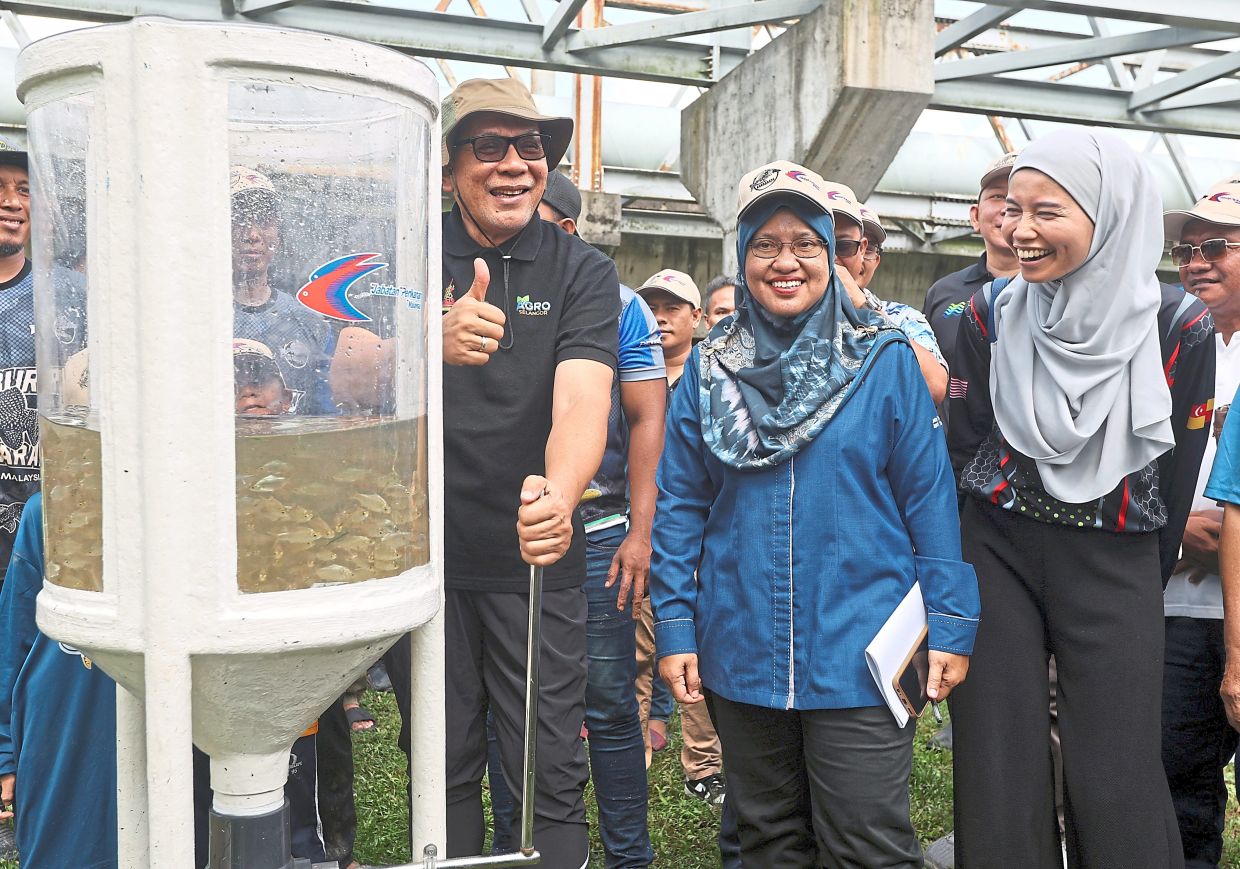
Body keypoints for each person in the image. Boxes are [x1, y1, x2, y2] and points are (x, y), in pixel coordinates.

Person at [653, 159, 978, 867]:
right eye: (765, 244)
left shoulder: (884, 360)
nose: (786, 260)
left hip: (860, 644)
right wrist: (675, 625)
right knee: (767, 838)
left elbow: (929, 499)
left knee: (866, 842)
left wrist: (950, 623)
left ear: (832, 253)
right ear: (742, 259)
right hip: (741, 640)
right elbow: (680, 505)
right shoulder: (710, 371)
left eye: (806, 241)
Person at [946, 129, 1211, 868]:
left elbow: (1177, 468)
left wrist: (1132, 569)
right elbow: (965, 444)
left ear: (1112, 213)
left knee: (1117, 768)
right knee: (997, 761)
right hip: (994, 551)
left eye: (1047, 212)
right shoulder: (987, 313)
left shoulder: (1175, 324)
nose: (1019, 231)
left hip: (1118, 555)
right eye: (1011, 209)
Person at [384, 76, 618, 868]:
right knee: (440, 761)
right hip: (429, 562)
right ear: (450, 168)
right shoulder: (407, 249)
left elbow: (584, 399)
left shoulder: (582, 271)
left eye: (532, 148)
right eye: (490, 146)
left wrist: (560, 492)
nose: (516, 164)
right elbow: (348, 375)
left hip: (536, 559)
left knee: (547, 768)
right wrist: (427, 342)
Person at [488, 170, 665, 866]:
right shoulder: (481, 291)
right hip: (506, 532)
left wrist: (640, 532)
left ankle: (628, 855)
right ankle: (518, 846)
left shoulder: (619, 304)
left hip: (594, 535)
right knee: (514, 705)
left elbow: (648, 418)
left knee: (610, 700)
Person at [1162, 175, 1240, 868]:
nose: (1196, 262)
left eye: (1217, 245)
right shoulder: (1170, 341)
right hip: (1181, 602)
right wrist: (1177, 521)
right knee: (1177, 775)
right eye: (1187, 250)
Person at [633, 269, 731, 807]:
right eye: (652, 306)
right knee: (633, 653)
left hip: (694, 539)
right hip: (632, 536)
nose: (661, 317)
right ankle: (632, 752)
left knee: (690, 646)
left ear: (697, 319)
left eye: (674, 308)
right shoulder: (630, 374)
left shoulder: (715, 377)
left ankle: (704, 763)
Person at [0, 494, 117, 869]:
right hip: (64, 730)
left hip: (175, 735)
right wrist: (5, 753)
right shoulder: (51, 508)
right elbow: (13, 637)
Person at [923, 150, 1021, 369]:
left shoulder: (1056, 291)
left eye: (1019, 196)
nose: (1008, 208)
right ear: (975, 216)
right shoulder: (943, 292)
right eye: (997, 196)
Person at [0, 140, 41, 594]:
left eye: (24, 190)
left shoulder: (67, 298)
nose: (12, 201)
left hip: (49, 536)